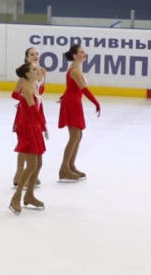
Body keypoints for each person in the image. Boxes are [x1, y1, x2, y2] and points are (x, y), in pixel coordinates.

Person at [58, 44, 101, 181]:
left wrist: (64, 95)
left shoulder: (76, 69)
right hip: (72, 104)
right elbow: (84, 89)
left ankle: (71, 166)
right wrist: (96, 102)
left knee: (78, 135)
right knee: (74, 136)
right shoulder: (75, 71)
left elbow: (70, 87)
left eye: (84, 52)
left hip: (74, 103)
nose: (84, 54)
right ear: (75, 55)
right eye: (81, 52)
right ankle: (64, 169)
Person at [10, 62, 48, 214]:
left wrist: (43, 125)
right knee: (32, 165)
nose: (37, 70)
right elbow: (32, 109)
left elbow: (38, 108)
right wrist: (43, 125)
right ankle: (16, 197)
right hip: (28, 127)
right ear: (27, 74)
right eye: (34, 69)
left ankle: (29, 195)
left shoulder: (34, 85)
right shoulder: (26, 87)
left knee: (38, 163)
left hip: (35, 126)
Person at [12, 47, 47, 188]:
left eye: (37, 54)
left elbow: (41, 91)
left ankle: (32, 176)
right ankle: (19, 175)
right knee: (24, 145)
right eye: (32, 54)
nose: (35, 56)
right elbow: (14, 94)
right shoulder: (25, 75)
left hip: (37, 109)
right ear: (27, 58)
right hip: (25, 113)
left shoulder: (41, 72)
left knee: (33, 146)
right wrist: (24, 100)